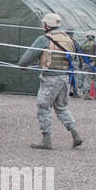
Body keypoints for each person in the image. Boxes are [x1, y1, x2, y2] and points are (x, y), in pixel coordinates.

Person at [18, 13, 85, 150]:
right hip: (65, 79)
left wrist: (22, 65)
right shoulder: (69, 38)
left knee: (43, 107)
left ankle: (46, 140)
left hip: (50, 79)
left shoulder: (44, 39)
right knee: (61, 107)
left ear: (46, 25)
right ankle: (75, 134)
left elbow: (28, 57)